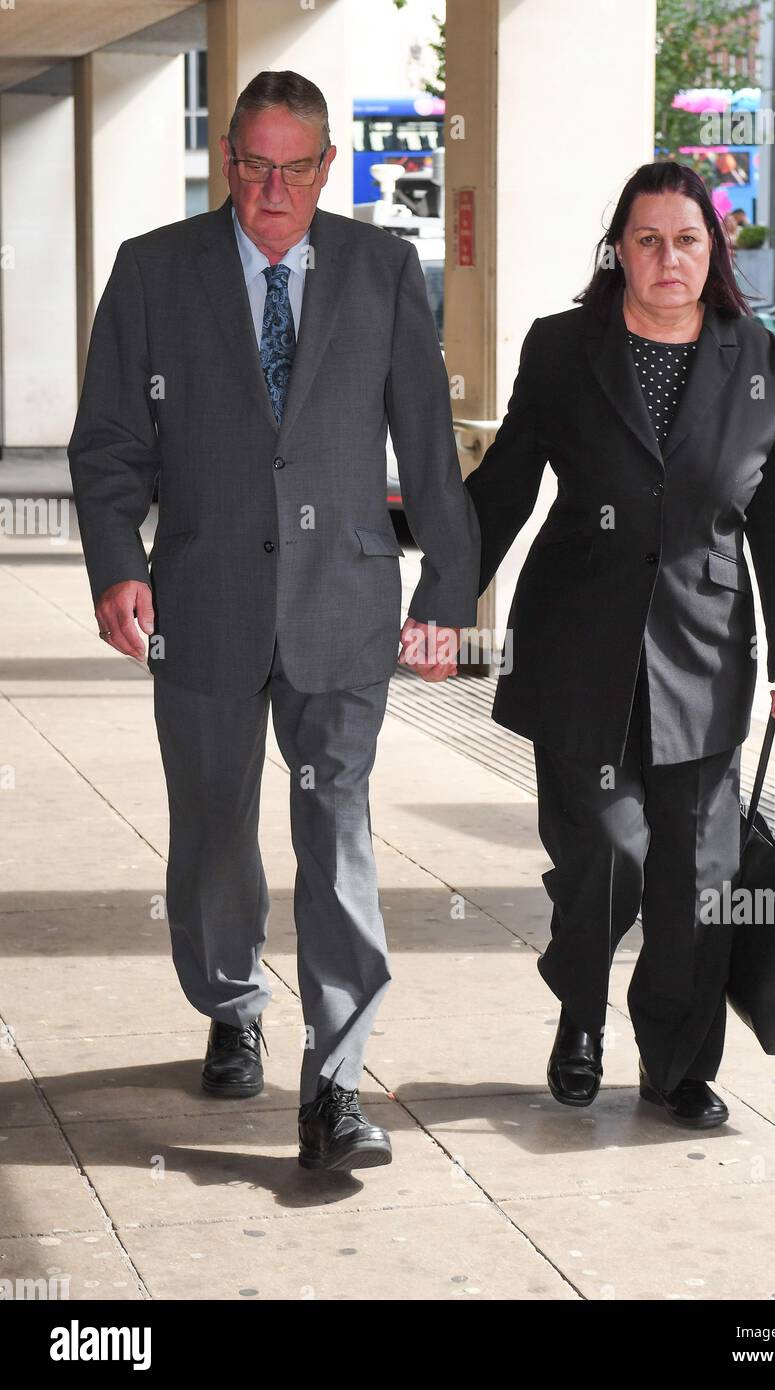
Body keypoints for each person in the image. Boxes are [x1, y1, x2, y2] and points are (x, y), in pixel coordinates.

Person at [68, 70, 479, 1171]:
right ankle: (230, 997)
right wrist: (118, 563)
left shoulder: (383, 269)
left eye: (295, 168)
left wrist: (447, 591)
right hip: (199, 597)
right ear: (228, 164)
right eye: (252, 165)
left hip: (341, 600)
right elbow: (108, 440)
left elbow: (427, 448)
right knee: (210, 827)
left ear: (326, 168)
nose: (272, 190)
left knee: (334, 830)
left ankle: (335, 1084)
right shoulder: (154, 271)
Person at [464, 160, 775, 1129]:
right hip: (576, 652)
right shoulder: (563, 347)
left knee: (696, 883)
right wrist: (442, 603)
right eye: (647, 239)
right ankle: (579, 1011)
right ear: (617, 248)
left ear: (712, 251)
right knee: (604, 857)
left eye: (686, 239)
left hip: (704, 656)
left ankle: (675, 1065)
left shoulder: (756, 354)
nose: (667, 257)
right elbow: (504, 488)